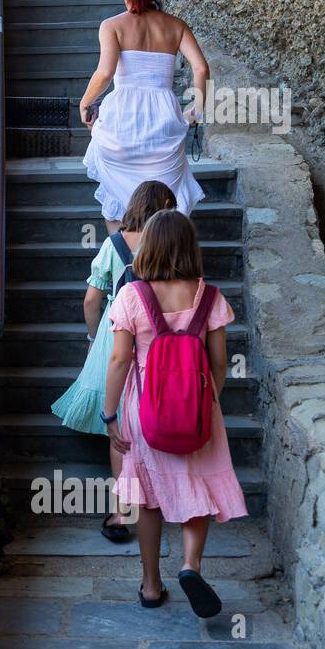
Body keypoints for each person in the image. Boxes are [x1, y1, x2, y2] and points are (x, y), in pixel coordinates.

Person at [100, 209, 247, 618]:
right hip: (198, 410)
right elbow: (218, 362)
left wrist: (109, 415)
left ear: (148, 245)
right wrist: (205, 400)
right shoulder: (209, 296)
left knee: (145, 499)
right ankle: (190, 565)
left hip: (143, 409)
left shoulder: (133, 296)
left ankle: (150, 586)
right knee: (197, 488)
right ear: (189, 246)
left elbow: (118, 360)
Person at [50, 180, 177, 543]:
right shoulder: (173, 243)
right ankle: (164, 496)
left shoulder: (115, 244)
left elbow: (92, 299)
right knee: (155, 418)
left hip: (118, 334)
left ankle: (123, 510)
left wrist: (92, 339)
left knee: (120, 429)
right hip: (162, 338)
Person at [78, 0, 208, 235]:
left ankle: (125, 266)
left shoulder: (112, 26)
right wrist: (197, 110)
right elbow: (200, 67)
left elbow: (104, 74)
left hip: (123, 121)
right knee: (165, 201)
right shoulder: (175, 26)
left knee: (116, 198)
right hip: (163, 119)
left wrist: (86, 102)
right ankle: (162, 262)